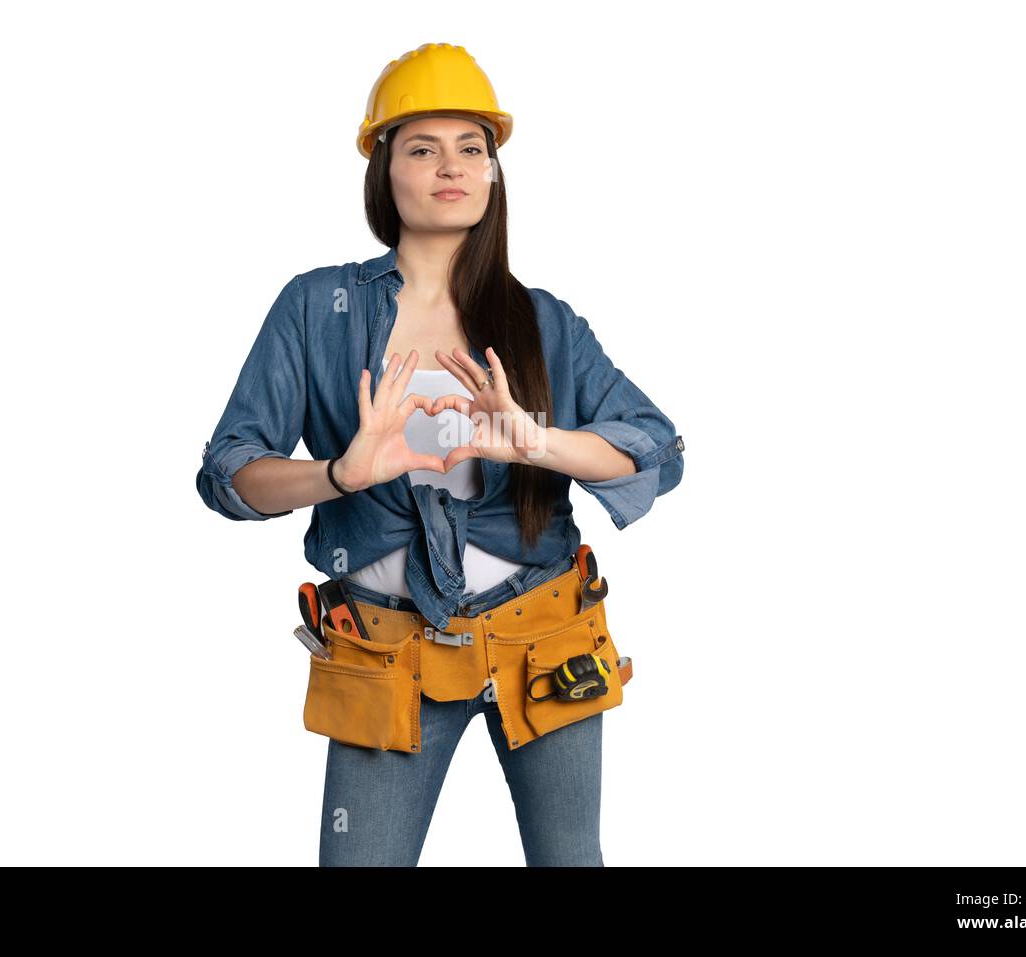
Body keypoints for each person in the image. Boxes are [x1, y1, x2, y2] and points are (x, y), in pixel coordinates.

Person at [195, 42, 685, 866]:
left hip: (545, 641)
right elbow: (230, 469)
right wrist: (339, 474)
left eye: (472, 149)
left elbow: (653, 450)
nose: (450, 167)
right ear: (384, 171)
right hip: (384, 653)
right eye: (422, 148)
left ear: (494, 176)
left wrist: (540, 441)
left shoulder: (543, 322)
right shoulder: (320, 307)